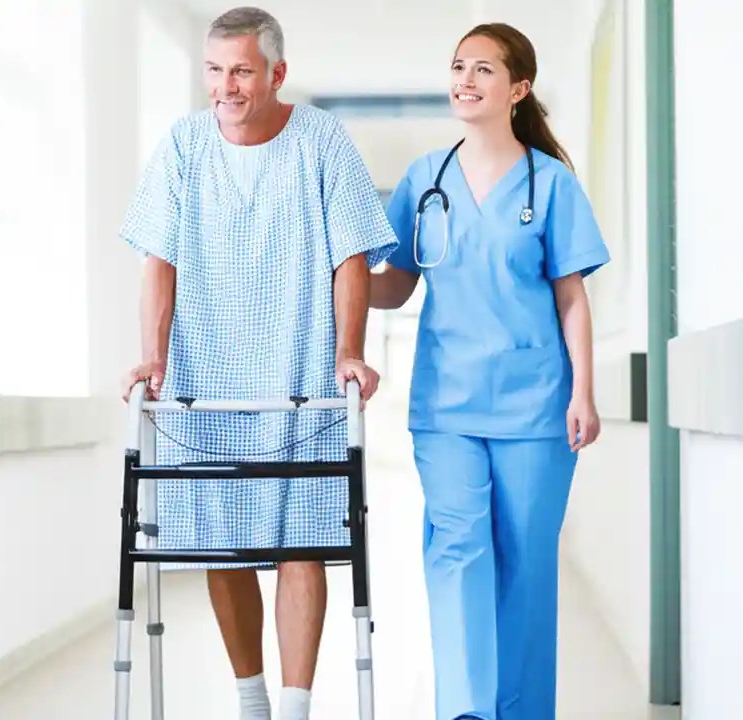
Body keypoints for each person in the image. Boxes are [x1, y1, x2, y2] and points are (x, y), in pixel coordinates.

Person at [119, 7, 397, 720]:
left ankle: (298, 706)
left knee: (302, 540)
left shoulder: (322, 140)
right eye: (214, 70)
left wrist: (347, 350)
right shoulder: (182, 146)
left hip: (301, 366)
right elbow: (160, 260)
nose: (225, 86)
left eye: (241, 70)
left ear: (276, 72)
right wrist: (153, 356)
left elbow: (352, 257)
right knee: (227, 543)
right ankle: (252, 700)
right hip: (208, 372)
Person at [370, 22, 610, 720]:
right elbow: (396, 285)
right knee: (458, 549)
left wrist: (585, 394)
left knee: (524, 570)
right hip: (446, 406)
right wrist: (343, 280)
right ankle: (467, 710)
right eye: (457, 67)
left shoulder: (551, 183)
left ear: (519, 88)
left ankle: (522, 711)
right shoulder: (425, 179)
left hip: (537, 406)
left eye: (483, 69)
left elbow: (572, 298)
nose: (465, 80)